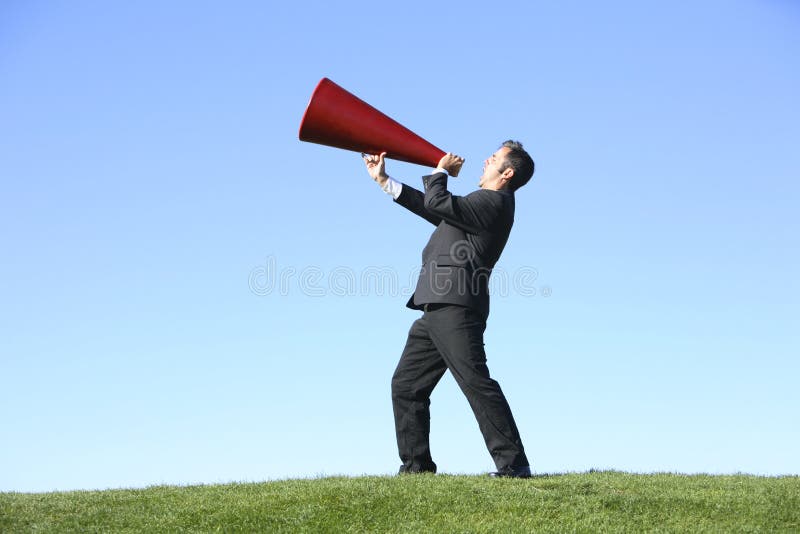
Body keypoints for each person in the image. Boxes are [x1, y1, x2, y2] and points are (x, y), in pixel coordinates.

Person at [363, 140, 535, 478]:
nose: (487, 159)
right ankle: (416, 467)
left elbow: (438, 200)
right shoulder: (478, 206)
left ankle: (514, 465)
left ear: (507, 173)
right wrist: (385, 182)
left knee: (475, 382)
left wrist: (440, 170)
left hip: (455, 307)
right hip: (438, 307)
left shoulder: (494, 201)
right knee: (407, 384)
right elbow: (435, 208)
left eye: (495, 158)